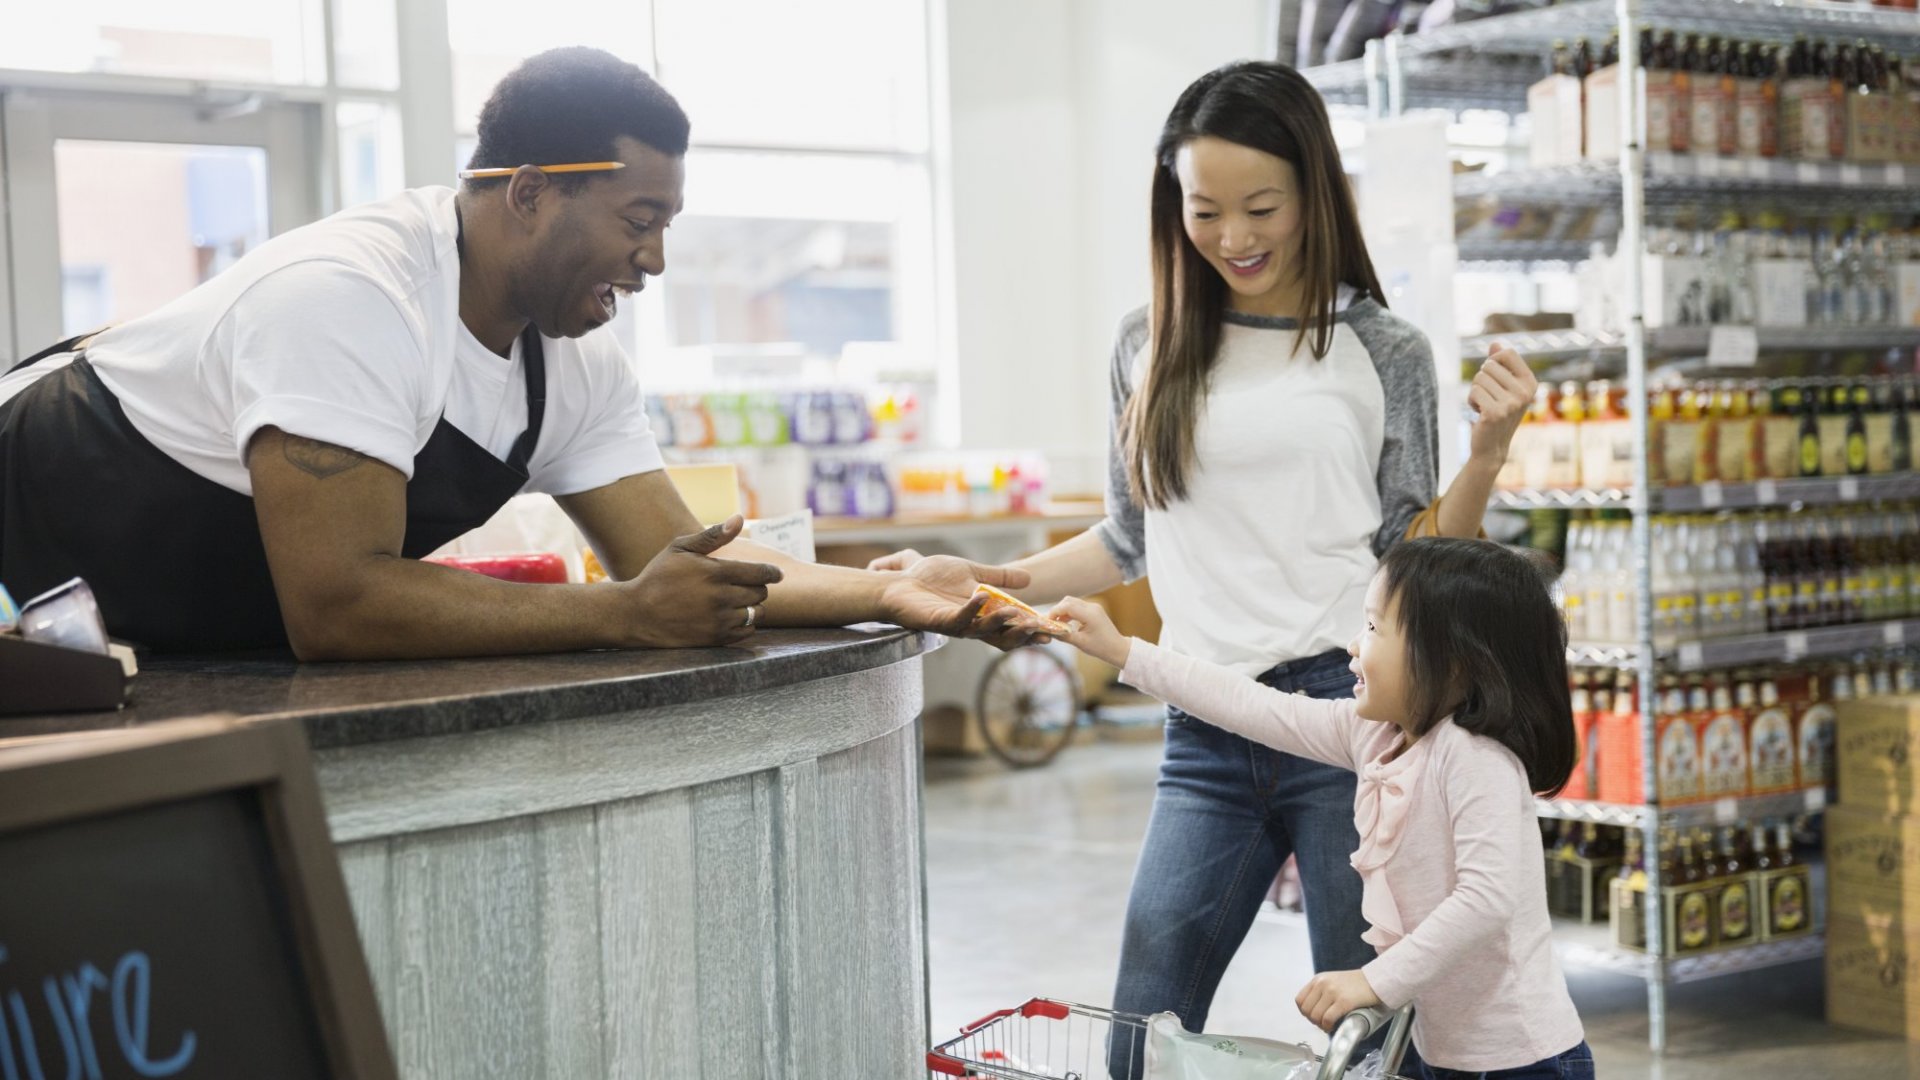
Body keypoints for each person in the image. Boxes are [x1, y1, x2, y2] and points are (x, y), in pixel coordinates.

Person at [870, 60, 1535, 1066]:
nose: (1233, 237)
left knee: (1370, 1044)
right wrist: (988, 579)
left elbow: (1416, 558)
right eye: (1205, 211)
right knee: (1140, 1034)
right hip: (1203, 725)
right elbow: (1127, 537)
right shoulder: (1147, 343)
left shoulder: (1381, 348)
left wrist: (1484, 457)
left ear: (1314, 193)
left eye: (1261, 207)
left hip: (1347, 722)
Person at [0, 47, 1027, 659]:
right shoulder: (349, 298)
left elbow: (686, 563)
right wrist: (624, 617)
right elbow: (337, 604)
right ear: (531, 192)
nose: (655, 261)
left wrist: (890, 594)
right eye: (638, 220)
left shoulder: (574, 361)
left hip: (138, 622)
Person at [1049, 537, 1591, 1079]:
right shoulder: (1375, 734)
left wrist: (1374, 980)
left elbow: (1487, 899)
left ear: (1451, 660)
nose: (1353, 646)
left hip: (1524, 1061)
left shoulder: (1475, 757)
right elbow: (1252, 705)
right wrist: (1123, 651)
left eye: (1374, 628)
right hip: (1444, 1055)